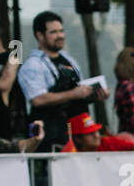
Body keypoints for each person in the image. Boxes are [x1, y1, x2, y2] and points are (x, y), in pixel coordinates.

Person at [17, 11, 108, 151]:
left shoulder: (69, 59)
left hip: (77, 136)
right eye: (53, 32)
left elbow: (79, 90)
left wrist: (94, 94)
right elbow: (37, 99)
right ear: (39, 35)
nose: (60, 36)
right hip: (51, 137)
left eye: (61, 31)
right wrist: (74, 94)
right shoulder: (33, 65)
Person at [69, 111, 134, 152]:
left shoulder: (108, 142)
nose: (96, 136)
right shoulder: (69, 153)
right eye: (90, 133)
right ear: (78, 138)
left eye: (96, 131)